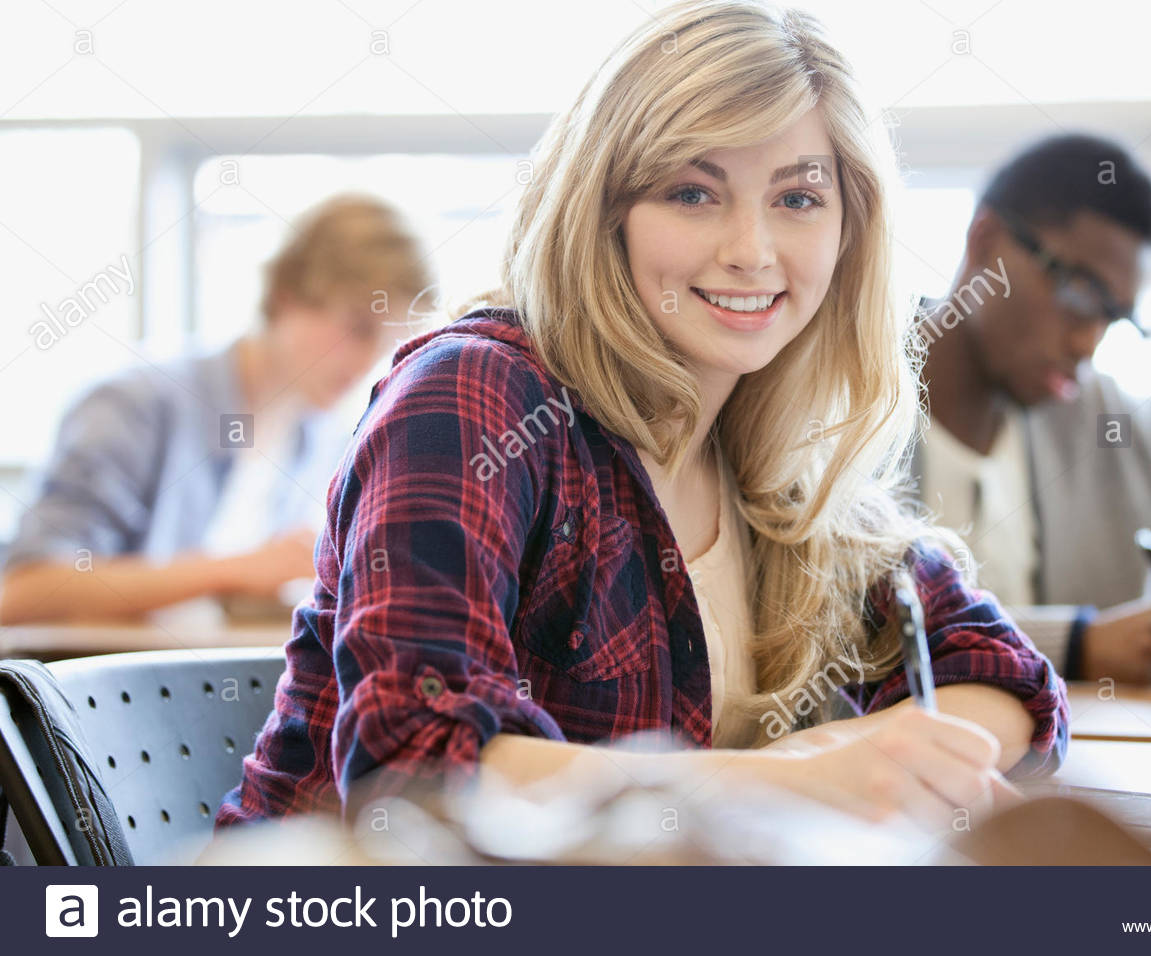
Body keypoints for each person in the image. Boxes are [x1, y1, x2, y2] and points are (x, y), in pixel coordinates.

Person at [216, 0, 1067, 832]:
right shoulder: (476, 398)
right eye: (694, 193)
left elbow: (1005, 680)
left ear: (851, 229)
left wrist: (864, 761)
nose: (751, 249)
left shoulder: (774, 462)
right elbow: (420, 769)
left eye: (798, 199)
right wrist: (797, 780)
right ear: (606, 211)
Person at [913, 133, 1151, 685]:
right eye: (1078, 291)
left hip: (1076, 771)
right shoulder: (832, 400)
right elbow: (838, 626)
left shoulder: (1113, 427)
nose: (1086, 345)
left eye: (1113, 317)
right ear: (986, 240)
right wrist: (1077, 645)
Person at [0, 195, 432, 625]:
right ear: (285, 298)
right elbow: (25, 589)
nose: (365, 363)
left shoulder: (320, 437)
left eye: (386, 342)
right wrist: (237, 570)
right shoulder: (135, 405)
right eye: (357, 327)